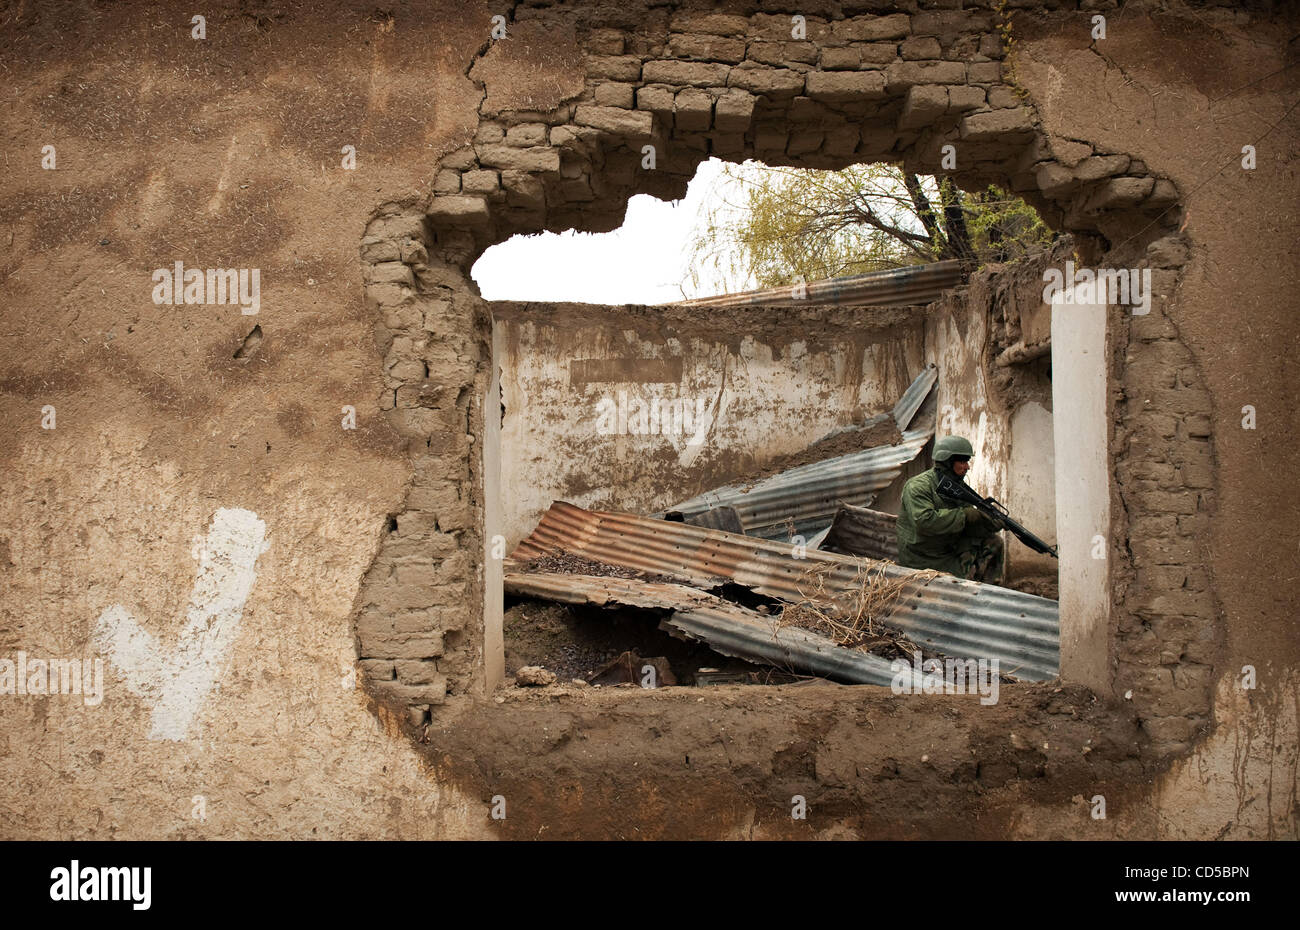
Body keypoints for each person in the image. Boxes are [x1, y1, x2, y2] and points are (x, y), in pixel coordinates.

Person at [895, 435, 1004, 582]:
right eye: (962, 461)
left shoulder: (955, 486)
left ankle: (990, 592)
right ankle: (971, 593)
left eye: (967, 461)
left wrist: (987, 522)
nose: (967, 467)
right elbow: (924, 522)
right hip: (923, 558)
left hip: (947, 548)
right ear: (947, 462)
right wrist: (965, 515)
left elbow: (968, 525)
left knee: (994, 542)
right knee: (966, 582)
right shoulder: (918, 486)